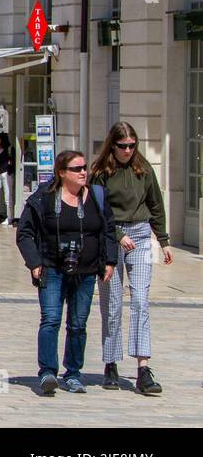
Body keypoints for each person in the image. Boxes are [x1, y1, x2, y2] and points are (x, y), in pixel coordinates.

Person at [16, 150, 116, 396]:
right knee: (51, 320)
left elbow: (109, 231)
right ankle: (48, 372)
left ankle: (73, 374)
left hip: (86, 270)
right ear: (62, 173)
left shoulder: (97, 197)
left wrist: (109, 261)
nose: (83, 172)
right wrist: (35, 263)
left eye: (84, 168)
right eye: (77, 169)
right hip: (52, 268)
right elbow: (25, 232)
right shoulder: (45, 198)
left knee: (78, 324)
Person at [92, 122, 172, 395]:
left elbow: (155, 203)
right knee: (112, 304)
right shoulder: (100, 172)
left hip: (139, 234)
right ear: (112, 146)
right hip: (110, 237)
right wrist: (115, 234)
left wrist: (163, 240)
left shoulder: (143, 168)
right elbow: (96, 209)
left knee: (140, 300)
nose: (128, 151)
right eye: (123, 146)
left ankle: (142, 368)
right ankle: (111, 363)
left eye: (132, 146)